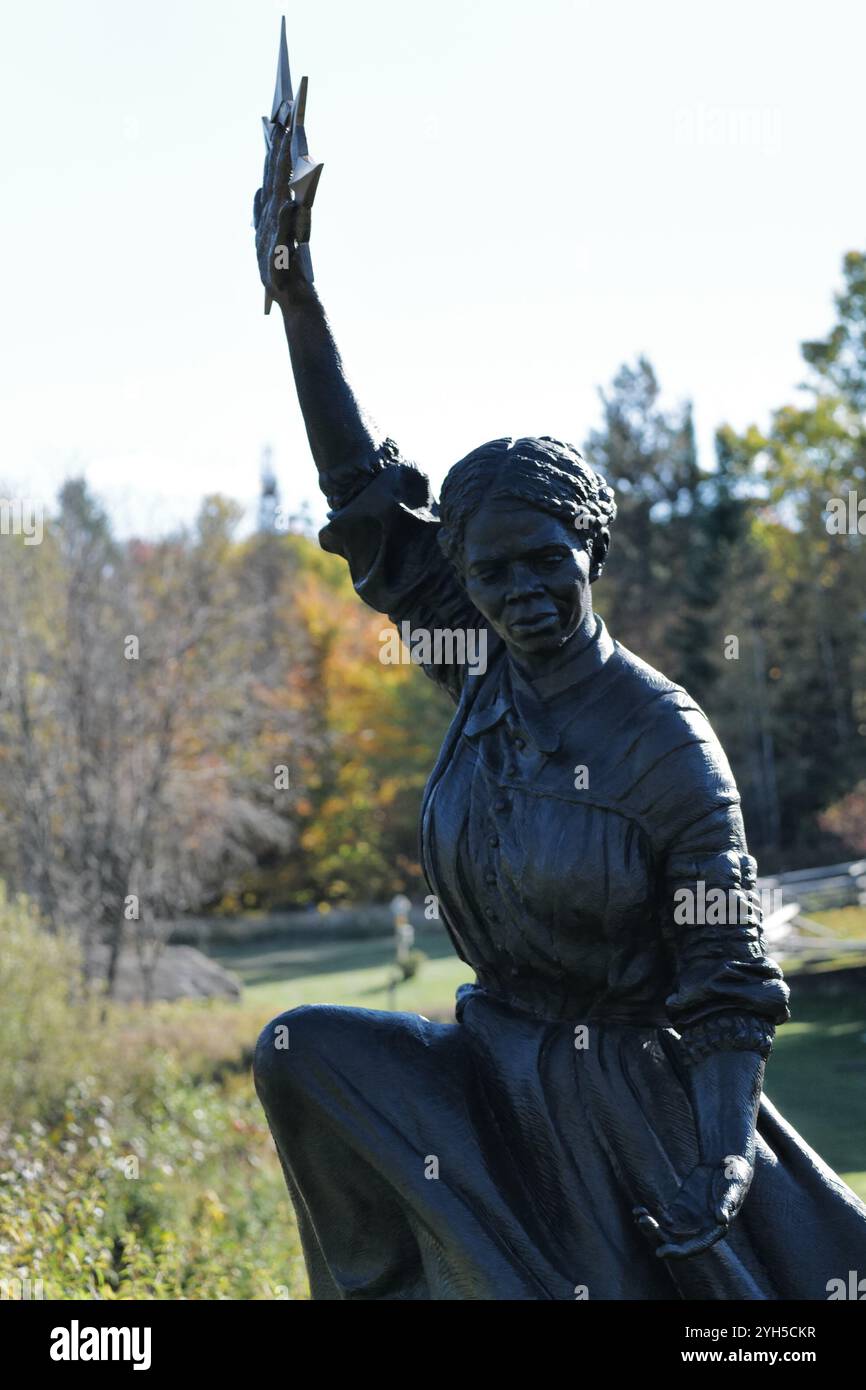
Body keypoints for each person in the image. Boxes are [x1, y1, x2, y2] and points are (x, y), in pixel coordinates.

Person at [250, 130, 866, 1300]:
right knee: (301, 1050)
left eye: (544, 563)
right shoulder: (480, 662)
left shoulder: (661, 743)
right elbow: (365, 504)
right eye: (489, 577)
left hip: (621, 1100)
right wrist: (298, 299)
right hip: (493, 1053)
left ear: (590, 544)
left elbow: (728, 971)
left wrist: (726, 1150)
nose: (519, 595)